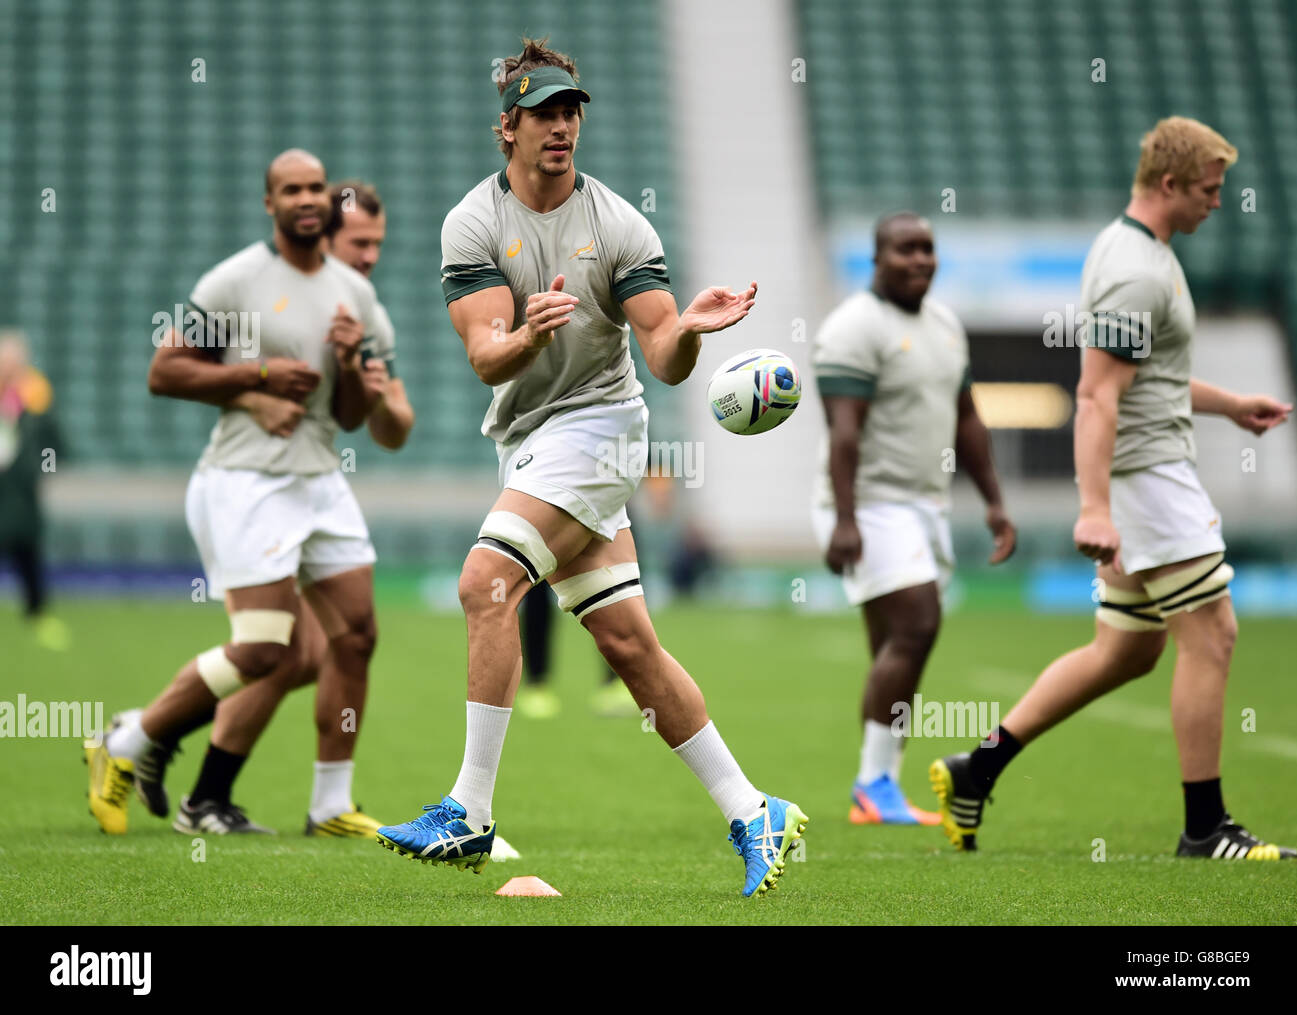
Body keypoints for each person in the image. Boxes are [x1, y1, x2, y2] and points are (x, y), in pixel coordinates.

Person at [375, 37, 806, 897]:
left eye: (572, 110)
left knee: (484, 581)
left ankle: (469, 809)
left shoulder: (618, 224)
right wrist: (527, 334)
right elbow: (486, 357)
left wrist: (688, 327)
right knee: (628, 644)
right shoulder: (473, 222)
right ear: (509, 128)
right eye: (544, 112)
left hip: (602, 431)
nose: (563, 125)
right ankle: (753, 807)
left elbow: (662, 355)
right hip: (529, 437)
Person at [930, 117, 1296, 860]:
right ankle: (1205, 828)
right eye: (1209, 189)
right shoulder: (1135, 269)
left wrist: (1232, 405)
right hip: (1148, 476)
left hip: (1143, 471)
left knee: (1125, 649)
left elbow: (1148, 376)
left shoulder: (1142, 253)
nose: (1218, 203)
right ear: (1169, 184)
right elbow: (1096, 395)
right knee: (1214, 633)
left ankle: (978, 766)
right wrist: (1095, 505)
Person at [85, 151, 388, 840]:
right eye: (291, 190)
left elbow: (346, 416)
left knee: (358, 636)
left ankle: (329, 805)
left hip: (318, 476)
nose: (307, 198)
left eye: (316, 187)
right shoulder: (238, 281)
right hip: (246, 479)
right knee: (263, 650)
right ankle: (126, 740)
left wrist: (347, 363)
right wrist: (254, 375)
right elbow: (165, 372)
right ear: (270, 204)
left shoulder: (352, 292)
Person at [812, 213, 1015, 826]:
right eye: (906, 249)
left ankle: (878, 790)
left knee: (895, 644)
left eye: (928, 249)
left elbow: (968, 419)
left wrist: (995, 502)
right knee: (919, 624)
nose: (920, 259)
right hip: (869, 504)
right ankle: (873, 784)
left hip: (926, 504)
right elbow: (842, 434)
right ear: (878, 257)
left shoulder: (946, 324)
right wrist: (846, 520)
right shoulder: (854, 326)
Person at [0, 330, 68, 651]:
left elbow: (54, 446)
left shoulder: (35, 399)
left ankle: (37, 615)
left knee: (28, 555)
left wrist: (43, 469)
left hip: (22, 497)